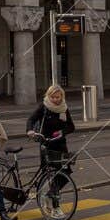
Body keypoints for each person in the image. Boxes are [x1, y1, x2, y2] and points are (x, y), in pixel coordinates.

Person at [27, 84, 77, 212]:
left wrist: (62, 132)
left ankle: (49, 195)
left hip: (60, 144)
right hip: (46, 144)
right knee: (49, 174)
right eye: (53, 97)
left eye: (58, 97)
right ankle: (55, 207)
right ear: (48, 96)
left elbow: (71, 126)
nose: (55, 99)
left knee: (65, 173)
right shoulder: (44, 107)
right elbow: (31, 119)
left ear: (62, 96)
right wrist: (30, 130)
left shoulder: (63, 108)